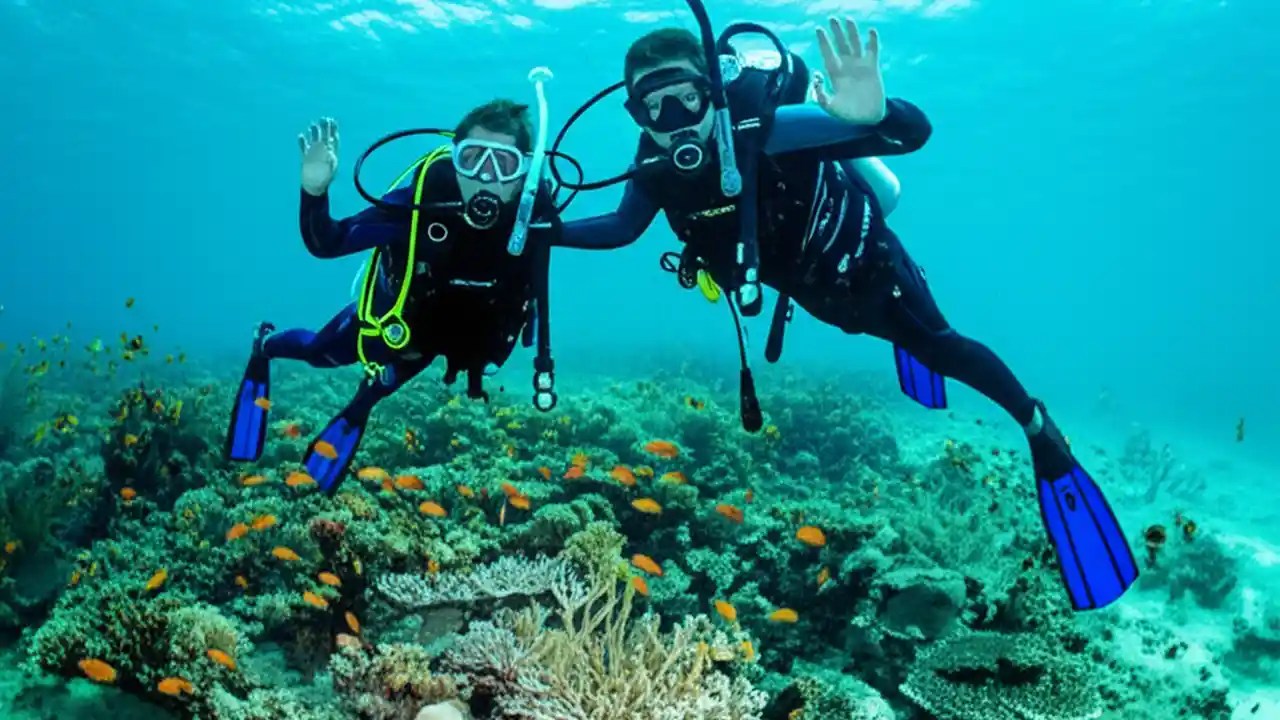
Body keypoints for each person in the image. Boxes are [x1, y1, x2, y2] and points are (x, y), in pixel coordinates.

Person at [553, 17, 1138, 610]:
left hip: (874, 268)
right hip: (820, 298)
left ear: (715, 91)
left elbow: (912, 133)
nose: (673, 121)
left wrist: (875, 112)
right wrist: (542, 230)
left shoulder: (765, 131)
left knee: (939, 345)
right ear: (635, 116)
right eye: (654, 109)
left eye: (686, 98)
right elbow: (621, 228)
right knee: (888, 335)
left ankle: (1038, 428)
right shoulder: (655, 171)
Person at [225, 98, 562, 492]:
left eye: (503, 164)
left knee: (372, 393)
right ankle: (264, 344)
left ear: (523, 171)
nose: (486, 178)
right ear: (455, 160)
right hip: (404, 328)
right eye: (472, 159)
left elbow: (615, 232)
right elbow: (327, 242)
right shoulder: (420, 203)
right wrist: (314, 191)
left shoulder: (534, 218)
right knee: (321, 352)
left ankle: (356, 409)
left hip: (467, 340)